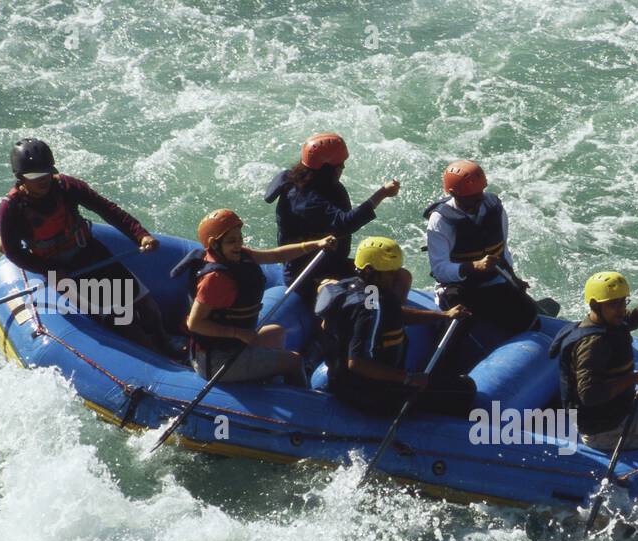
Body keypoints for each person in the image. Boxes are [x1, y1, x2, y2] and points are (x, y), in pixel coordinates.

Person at [0, 138, 174, 353]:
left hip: (89, 252)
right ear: (21, 177)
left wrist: (140, 235)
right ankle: (154, 355)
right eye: (34, 176)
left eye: (46, 172)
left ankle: (166, 345)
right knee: (123, 321)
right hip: (58, 267)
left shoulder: (66, 186)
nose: (43, 179)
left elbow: (107, 209)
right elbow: (14, 252)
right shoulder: (11, 208)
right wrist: (49, 270)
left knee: (147, 306)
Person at [170, 209, 335, 385]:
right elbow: (195, 323)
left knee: (277, 332)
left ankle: (268, 379)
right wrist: (237, 333)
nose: (238, 244)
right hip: (216, 362)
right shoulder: (214, 280)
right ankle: (303, 398)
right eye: (231, 241)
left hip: (232, 345)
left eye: (239, 238)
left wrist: (316, 244)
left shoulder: (238, 256)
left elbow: (276, 255)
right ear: (214, 244)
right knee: (294, 361)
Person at [316, 236, 475, 416]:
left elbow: (393, 315)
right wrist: (408, 378)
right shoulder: (370, 308)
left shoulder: (348, 287)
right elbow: (357, 363)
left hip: (341, 380)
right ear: (369, 271)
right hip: (369, 393)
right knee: (464, 389)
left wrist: (443, 315)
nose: (396, 277)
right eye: (390, 272)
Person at [550, 270, 638, 453]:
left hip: (621, 407)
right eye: (613, 304)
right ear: (594, 305)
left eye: (623, 302)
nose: (620, 309)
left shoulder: (611, 322)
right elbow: (589, 394)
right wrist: (633, 379)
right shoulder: (593, 345)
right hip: (604, 429)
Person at [423, 159, 541, 370]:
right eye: (470, 198)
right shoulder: (440, 220)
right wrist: (472, 267)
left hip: (491, 282)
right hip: (457, 287)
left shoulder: (493, 207)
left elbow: (502, 250)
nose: (477, 202)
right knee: (460, 323)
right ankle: (441, 371)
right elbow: (440, 269)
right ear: (454, 194)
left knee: (528, 316)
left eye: (480, 195)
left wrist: (513, 278)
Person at [263, 132, 399, 305]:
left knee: (400, 277)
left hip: (333, 264)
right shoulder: (305, 201)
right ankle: (340, 320)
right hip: (308, 273)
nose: (343, 167)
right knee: (345, 294)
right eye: (340, 165)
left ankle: (390, 313)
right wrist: (382, 193)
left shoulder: (308, 179)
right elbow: (345, 223)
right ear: (326, 169)